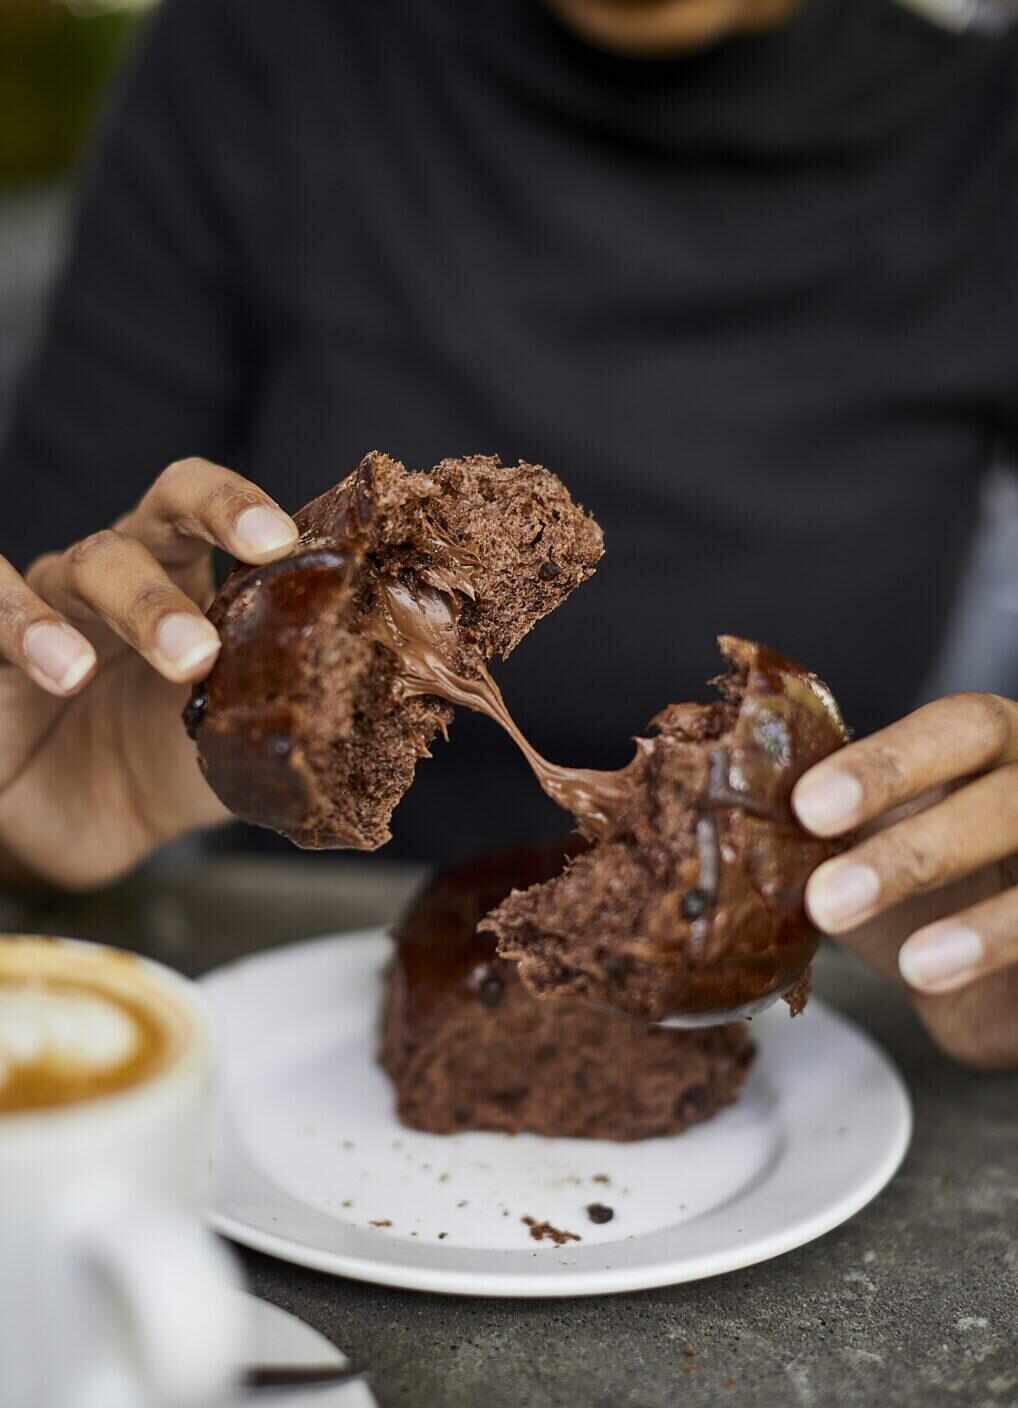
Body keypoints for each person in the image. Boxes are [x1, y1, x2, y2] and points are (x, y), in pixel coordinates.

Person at [1, 0, 1017, 1067]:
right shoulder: (261, 48)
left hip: (815, 1034)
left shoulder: (984, 140)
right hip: (273, 1035)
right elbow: (46, 661)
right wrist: (33, 831)